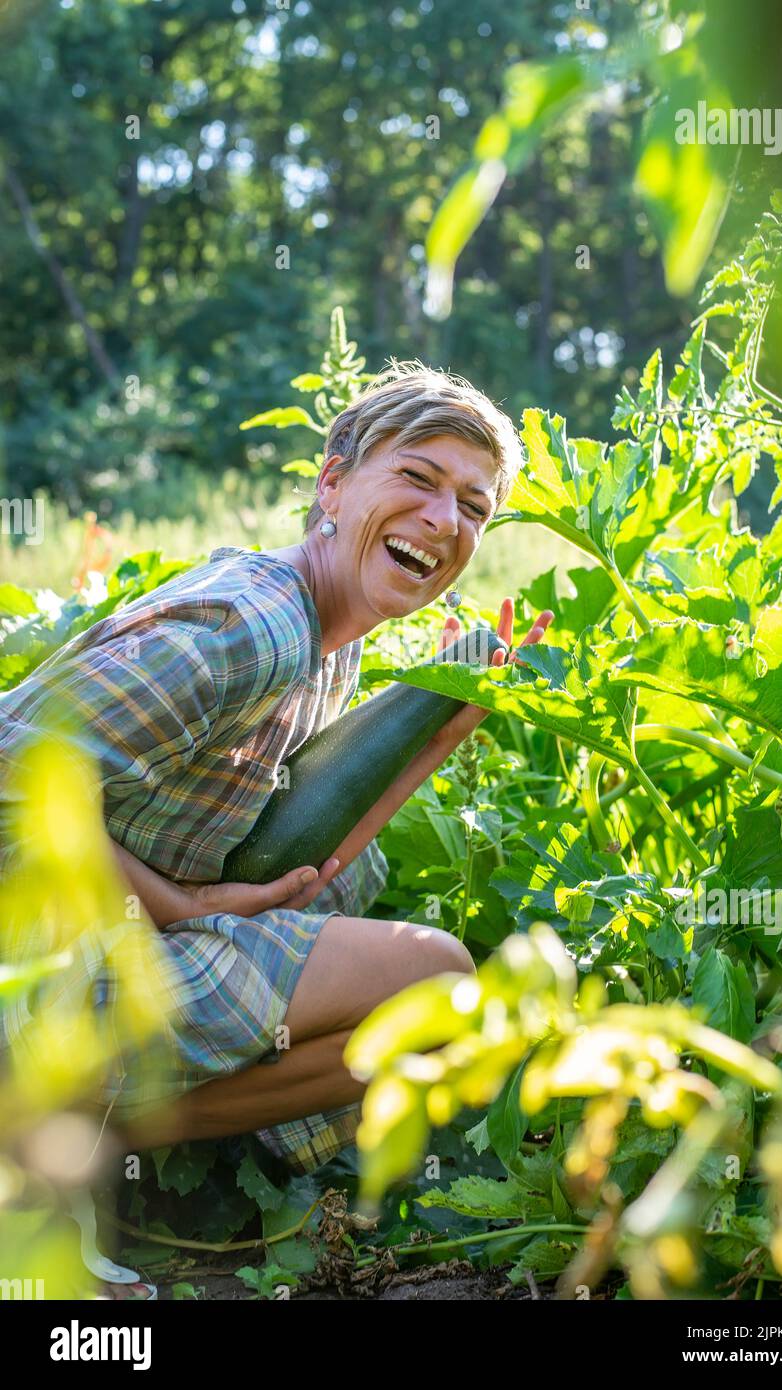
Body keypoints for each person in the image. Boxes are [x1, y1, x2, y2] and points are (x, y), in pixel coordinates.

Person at [0, 361, 553, 1296]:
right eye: (417, 478)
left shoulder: (325, 646)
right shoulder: (256, 630)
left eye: (473, 506)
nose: (445, 521)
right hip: (32, 961)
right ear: (332, 482)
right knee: (441, 985)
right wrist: (178, 903)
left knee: (364, 906)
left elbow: (306, 863)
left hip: (83, 947)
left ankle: (60, 1136)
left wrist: (447, 719)